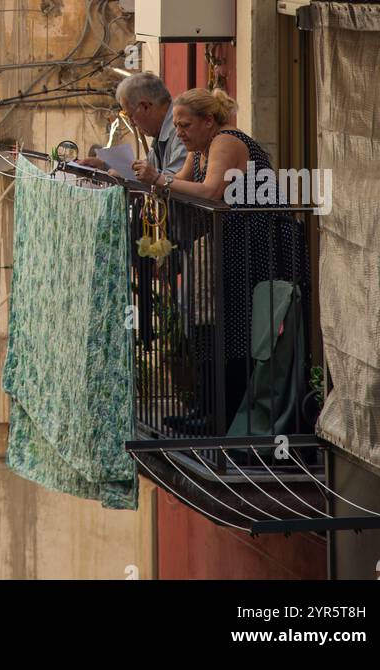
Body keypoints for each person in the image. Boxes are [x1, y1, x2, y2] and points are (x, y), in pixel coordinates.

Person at [167, 88, 305, 428]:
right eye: (176, 125)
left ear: (208, 121)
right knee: (227, 325)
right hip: (236, 240)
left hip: (262, 240)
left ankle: (234, 418)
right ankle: (215, 412)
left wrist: (158, 180)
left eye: (185, 125)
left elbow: (213, 191)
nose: (179, 132)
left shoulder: (226, 141)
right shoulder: (199, 149)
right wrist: (132, 177)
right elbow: (176, 183)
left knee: (249, 327)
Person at [80, 71, 187, 180]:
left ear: (145, 106)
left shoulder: (181, 131)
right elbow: (147, 169)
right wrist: (104, 166)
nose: (132, 123)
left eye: (130, 115)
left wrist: (130, 174)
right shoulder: (160, 133)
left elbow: (174, 182)